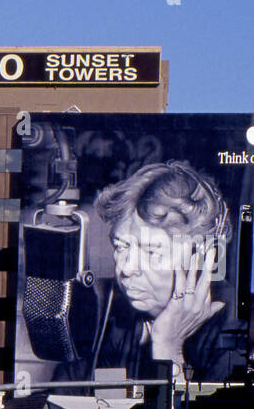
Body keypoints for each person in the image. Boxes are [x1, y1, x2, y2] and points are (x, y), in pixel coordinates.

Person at [59, 161, 230, 381]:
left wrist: (168, 348)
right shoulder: (106, 310)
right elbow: (62, 403)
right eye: (121, 247)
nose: (127, 269)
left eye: (151, 251)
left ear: (203, 258)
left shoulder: (236, 330)